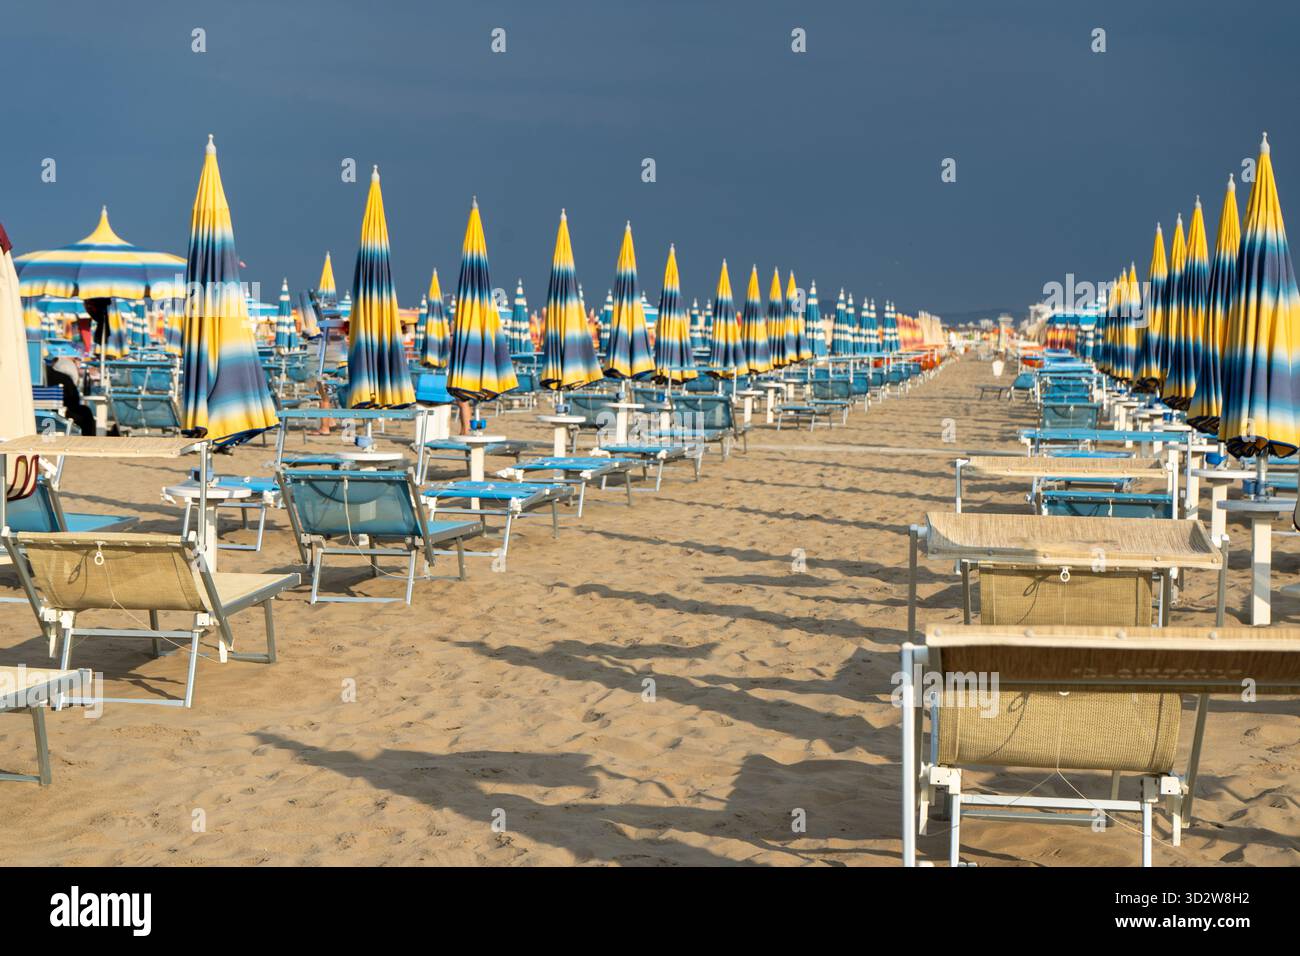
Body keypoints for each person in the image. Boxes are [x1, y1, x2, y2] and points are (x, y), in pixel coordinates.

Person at [44, 355, 96, 436]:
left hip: (40, 413)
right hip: (61, 414)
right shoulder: (64, 379)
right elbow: (74, 401)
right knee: (86, 412)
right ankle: (87, 443)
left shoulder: (37, 375)